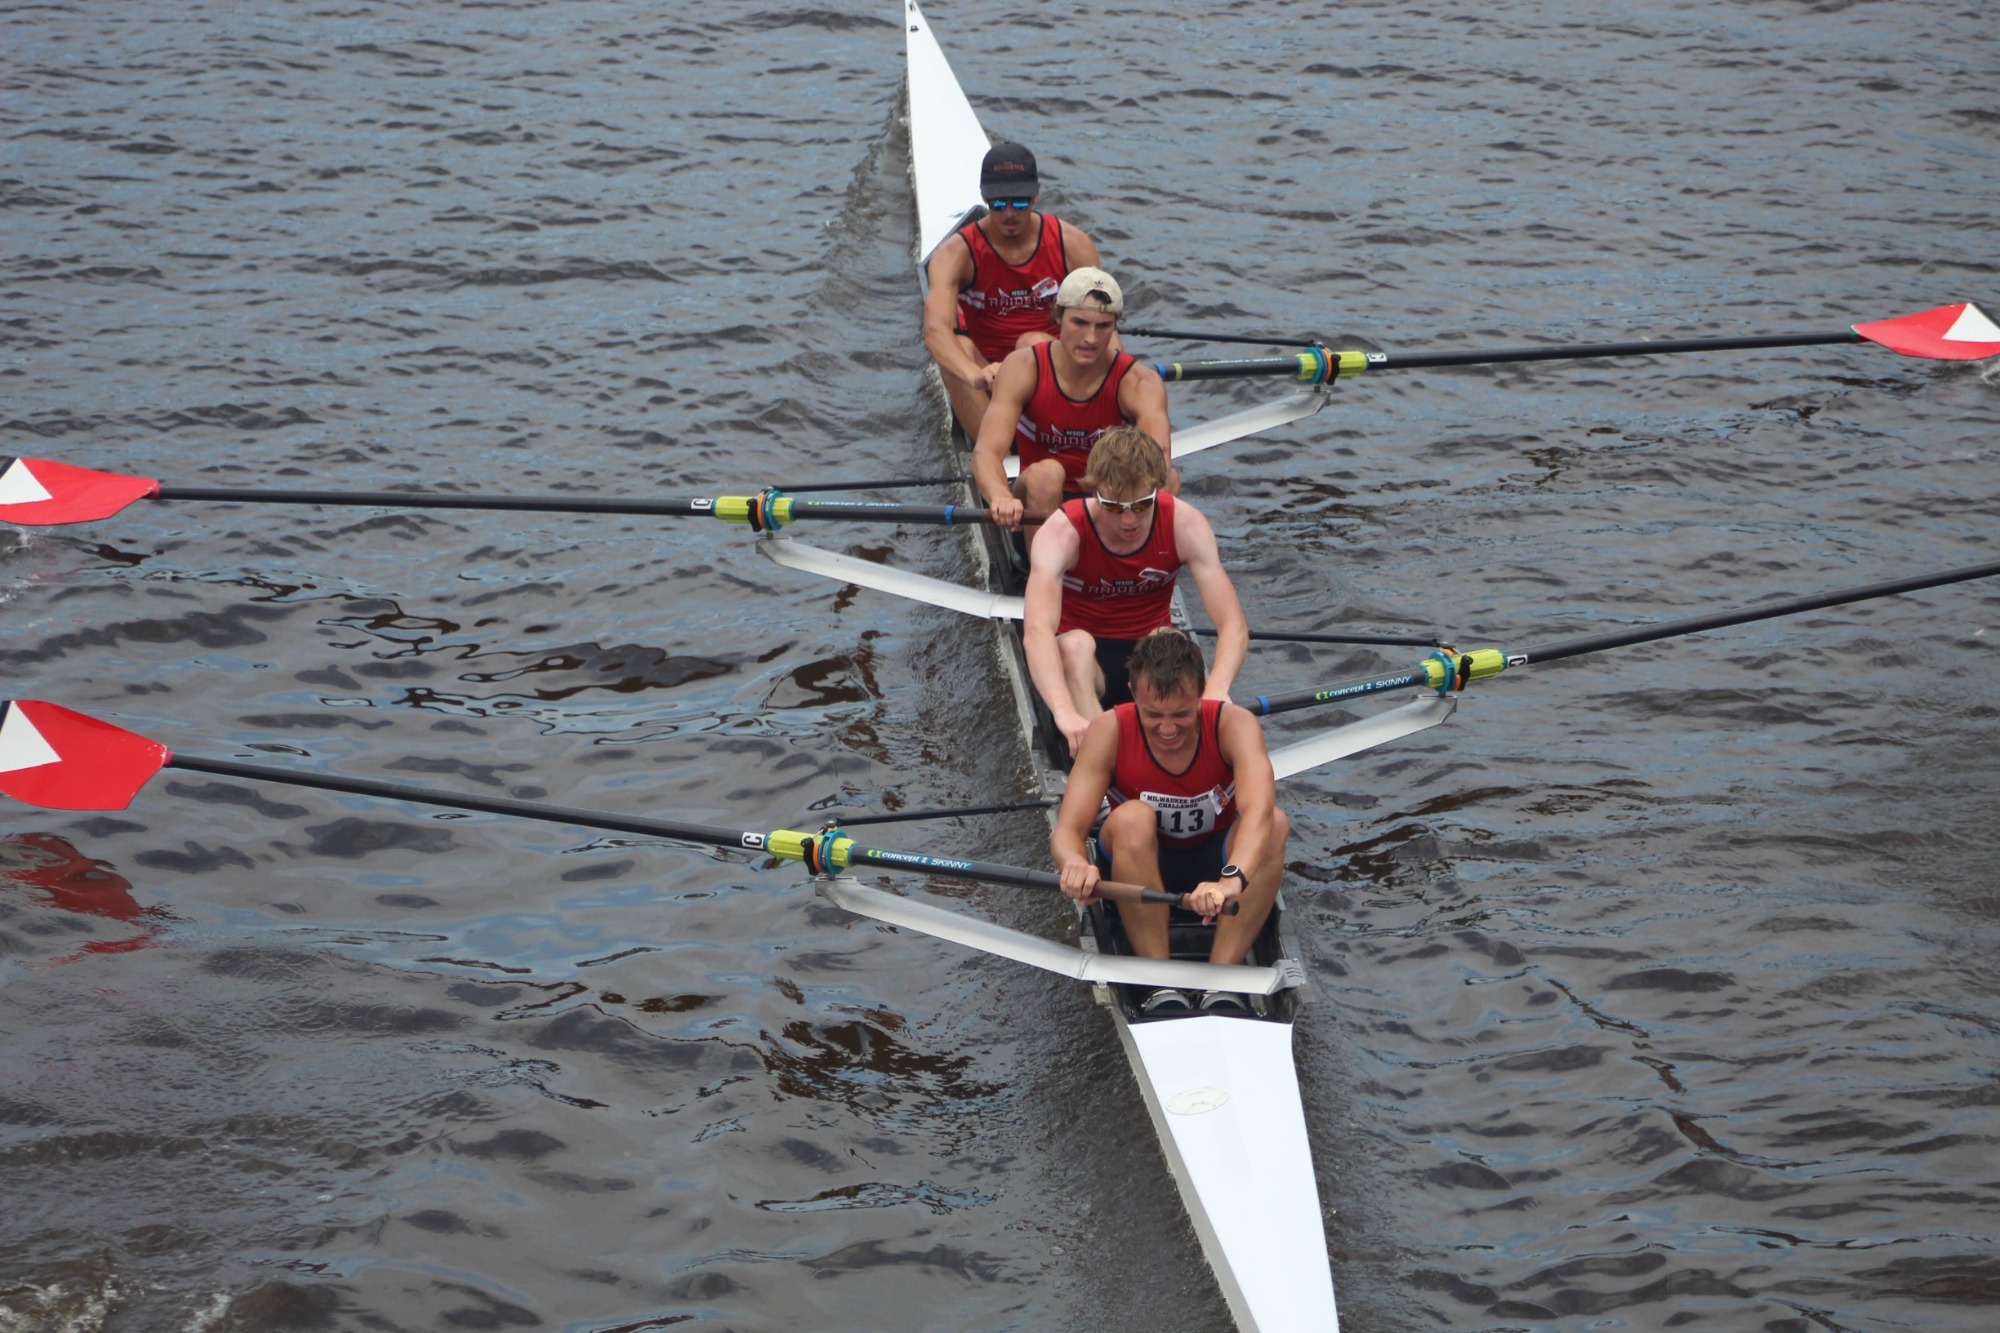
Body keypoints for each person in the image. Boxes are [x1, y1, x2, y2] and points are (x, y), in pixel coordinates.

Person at [1051, 628, 1290, 1012]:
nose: (1167, 729)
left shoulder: (1234, 725)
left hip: (1218, 868)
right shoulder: (1109, 730)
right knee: (1131, 818)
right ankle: (1159, 983)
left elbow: (1259, 812)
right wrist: (1075, 864)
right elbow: (1068, 832)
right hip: (1138, 867)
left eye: (1181, 713)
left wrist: (1232, 880)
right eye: (1153, 715)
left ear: (1201, 693)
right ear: (1133, 694)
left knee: (1276, 823)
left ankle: (1222, 982)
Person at [1022, 425, 1246, 758]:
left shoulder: (1185, 524)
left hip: (1151, 657)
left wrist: (1217, 688)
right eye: (1113, 506)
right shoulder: (1062, 533)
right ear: (1096, 490)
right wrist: (1062, 711)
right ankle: (1098, 756)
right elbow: (1036, 631)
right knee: (1072, 646)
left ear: (1158, 488)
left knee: (1171, 640)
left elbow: (1232, 625)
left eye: (1142, 505)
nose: (1129, 520)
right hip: (1085, 666)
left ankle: (1174, 753)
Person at [972, 266, 1172, 541]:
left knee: (1170, 478)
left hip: (1108, 504)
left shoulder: (1140, 383)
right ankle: (1044, 574)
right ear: (1058, 318)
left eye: (1102, 326)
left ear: (1114, 327)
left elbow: (1158, 462)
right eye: (1079, 323)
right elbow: (986, 453)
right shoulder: (1023, 367)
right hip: (1038, 506)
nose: (1090, 338)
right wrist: (1000, 496)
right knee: (1047, 475)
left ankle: (1133, 560)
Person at [923, 143, 1108, 441]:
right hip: (991, 377)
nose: (1009, 214)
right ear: (984, 197)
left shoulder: (1072, 245)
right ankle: (995, 451)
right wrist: (974, 374)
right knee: (956, 351)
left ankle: (1066, 433)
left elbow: (1103, 327)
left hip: (1055, 375)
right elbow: (935, 332)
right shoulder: (956, 253)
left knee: (1031, 344)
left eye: (1020, 203)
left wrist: (1120, 389)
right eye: (998, 204)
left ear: (1036, 195)